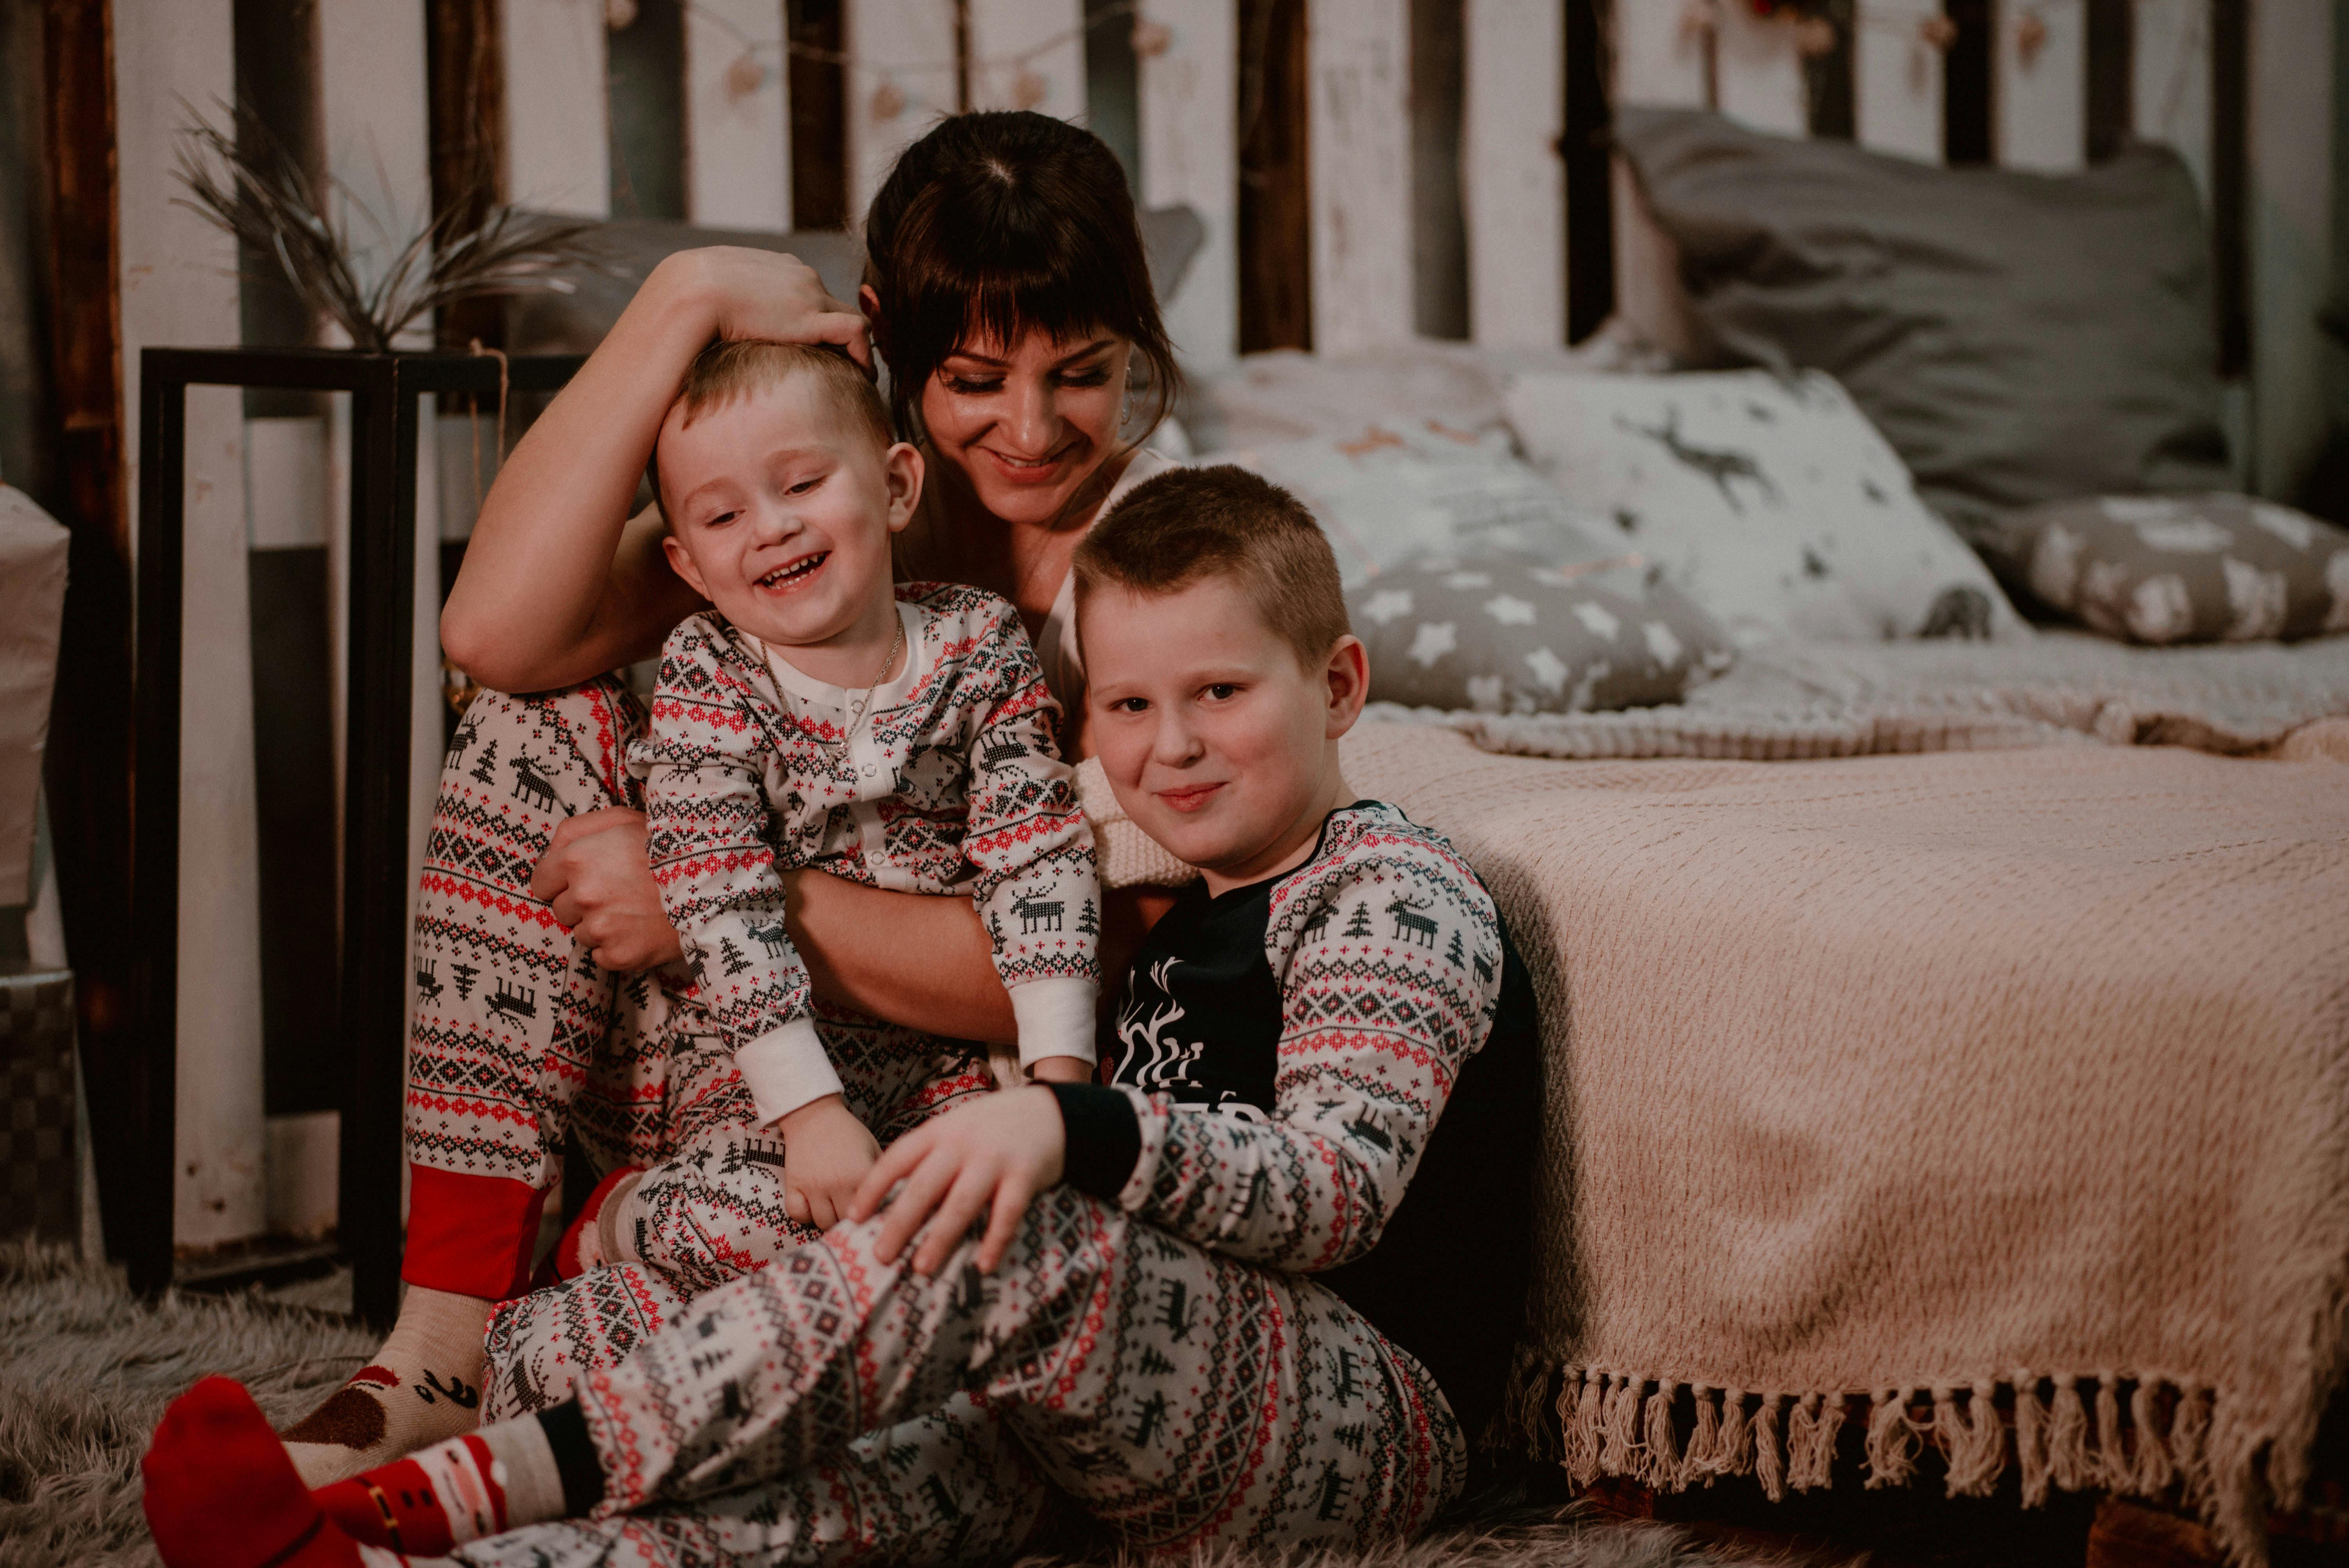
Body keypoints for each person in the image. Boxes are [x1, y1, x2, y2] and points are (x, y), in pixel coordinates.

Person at [141, 466, 1542, 1568]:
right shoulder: (1176, 914)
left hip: (1362, 1417)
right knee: (824, 1473)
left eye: (1219, 694)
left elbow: (1337, 1194)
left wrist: (1073, 1124)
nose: (1169, 745)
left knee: (1013, 1235)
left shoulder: (1385, 888)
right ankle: (391, 1559)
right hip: (1124, 1384)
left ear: (1338, 685)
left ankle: (435, 1495)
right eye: (1128, 703)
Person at [276, 110, 1189, 1486]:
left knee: (923, 1258)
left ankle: (592, 1297)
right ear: (881, 344)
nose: (1030, 428)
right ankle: (442, 1336)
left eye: (1084, 372)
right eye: (972, 378)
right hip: (704, 1054)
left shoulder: (1156, 561)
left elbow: (1119, 965)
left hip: (922, 1094)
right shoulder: (810, 504)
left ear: (1137, 337)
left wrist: (718, 889)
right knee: (543, 714)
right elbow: (494, 636)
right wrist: (682, 297)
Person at [560, 336, 1101, 1281]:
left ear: (896, 488)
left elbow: (1039, 859)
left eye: (802, 484)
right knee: (768, 1224)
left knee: (991, 1238)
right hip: (754, 1076)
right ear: (689, 565)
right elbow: (717, 897)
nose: (768, 527)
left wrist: (1060, 1101)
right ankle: (618, 1222)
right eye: (724, 515)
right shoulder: (711, 671)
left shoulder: (981, 644)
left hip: (947, 1069)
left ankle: (619, 1345)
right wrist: (808, 1115)